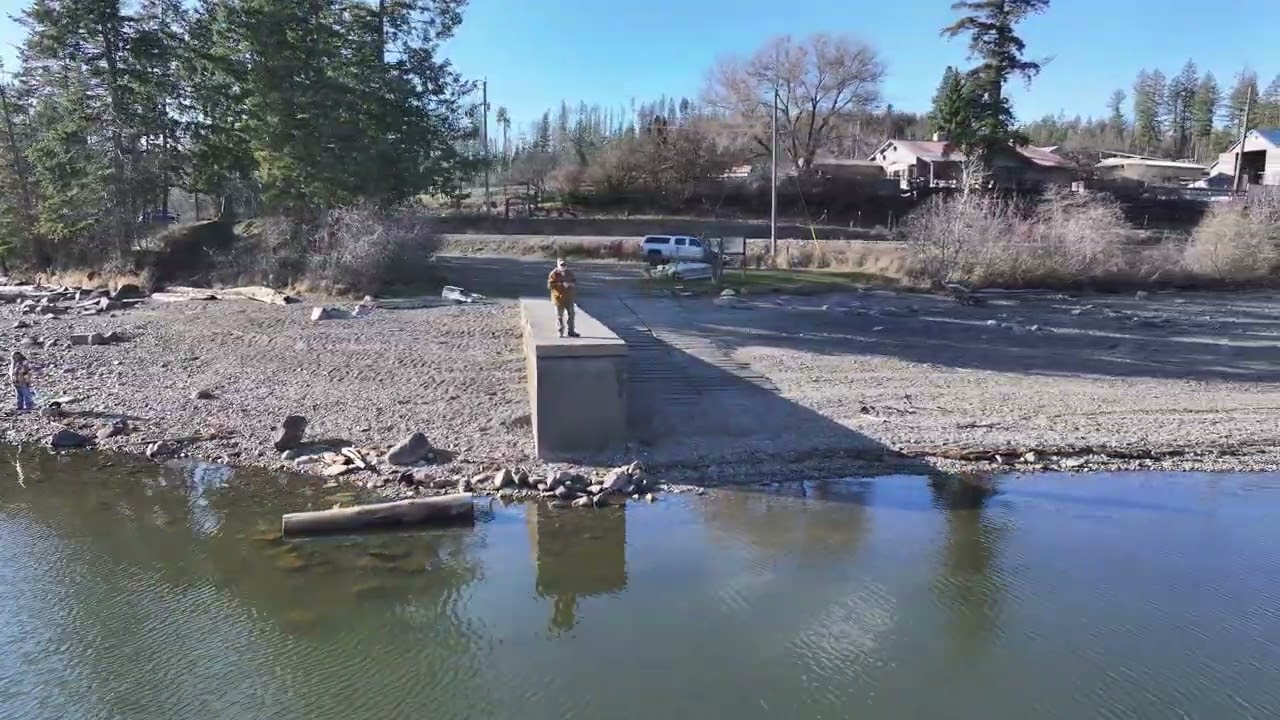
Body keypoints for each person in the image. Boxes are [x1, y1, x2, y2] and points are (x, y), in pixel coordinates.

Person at [547, 258, 579, 338]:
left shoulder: (570, 273)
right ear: (558, 265)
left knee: (571, 315)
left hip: (569, 298)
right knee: (559, 316)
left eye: (565, 265)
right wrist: (561, 284)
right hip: (558, 298)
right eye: (561, 265)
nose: (563, 266)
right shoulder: (553, 274)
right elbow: (550, 285)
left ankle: (571, 332)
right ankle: (560, 332)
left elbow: (574, 282)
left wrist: (569, 284)